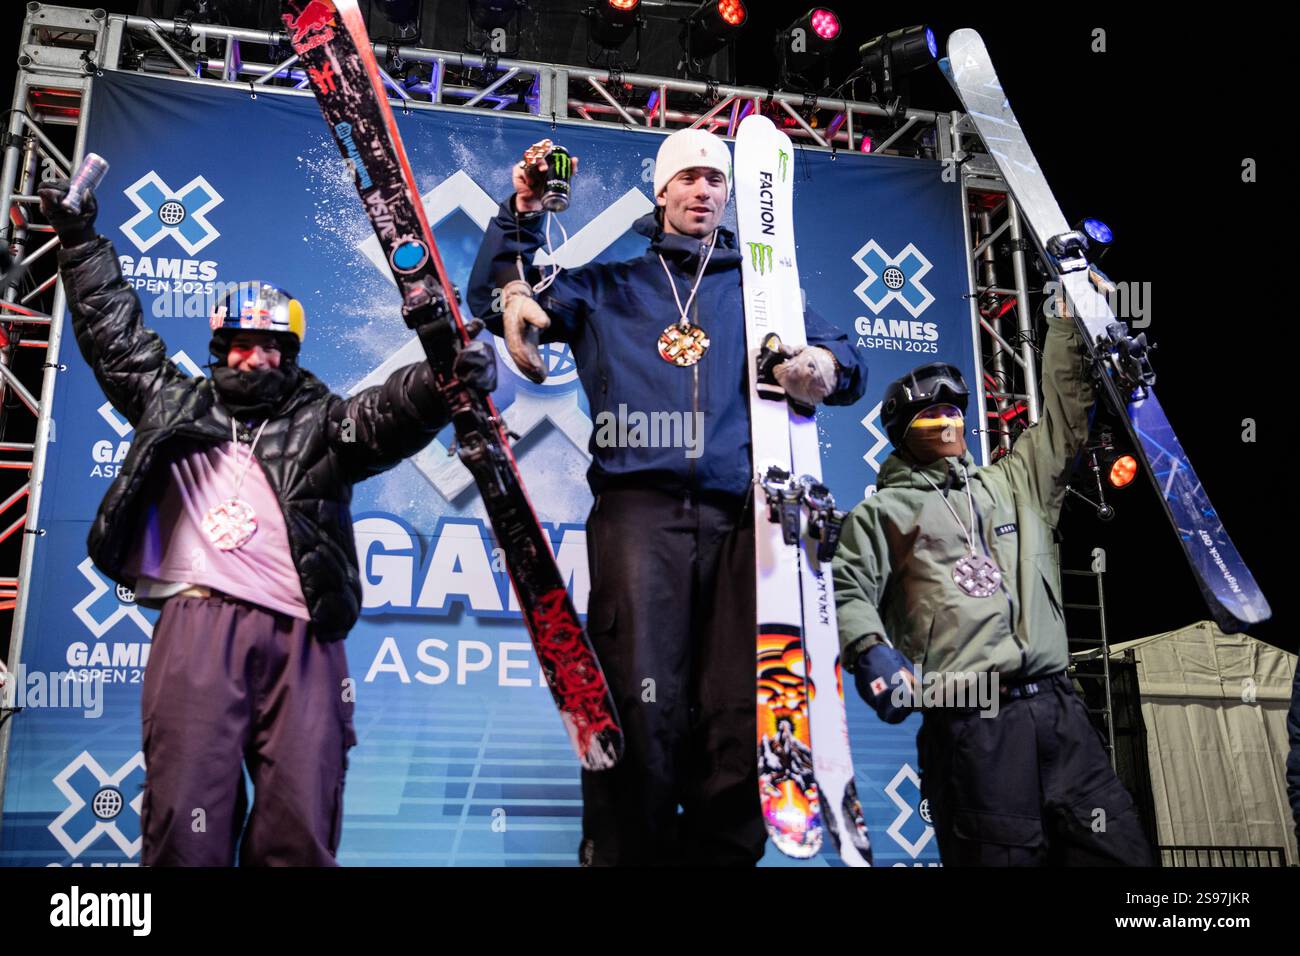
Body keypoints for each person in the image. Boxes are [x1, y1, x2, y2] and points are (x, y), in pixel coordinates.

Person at [39, 176, 495, 866]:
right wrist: (78, 240)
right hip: (199, 628)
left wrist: (442, 381)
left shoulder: (323, 422)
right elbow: (115, 338)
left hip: (304, 639)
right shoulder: (173, 403)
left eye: (274, 346)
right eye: (244, 343)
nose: (259, 356)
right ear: (221, 348)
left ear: (292, 356)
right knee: (186, 828)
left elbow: (386, 414)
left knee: (301, 824)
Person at [468, 128, 865, 865]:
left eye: (715, 181)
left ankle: (721, 856)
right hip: (637, 514)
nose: (703, 191)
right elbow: (500, 297)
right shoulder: (609, 285)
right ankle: (625, 855)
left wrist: (824, 365)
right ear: (661, 191)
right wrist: (521, 215)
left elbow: (843, 359)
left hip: (745, 519)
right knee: (637, 704)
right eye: (687, 178)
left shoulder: (764, 290)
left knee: (740, 706)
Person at [832, 274, 1153, 866]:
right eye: (931, 417)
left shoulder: (1013, 484)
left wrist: (1066, 318)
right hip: (973, 724)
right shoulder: (882, 513)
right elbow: (849, 586)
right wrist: (869, 651)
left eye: (955, 412)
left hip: (1062, 712)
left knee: (1123, 856)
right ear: (903, 436)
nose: (949, 424)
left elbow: (1060, 414)